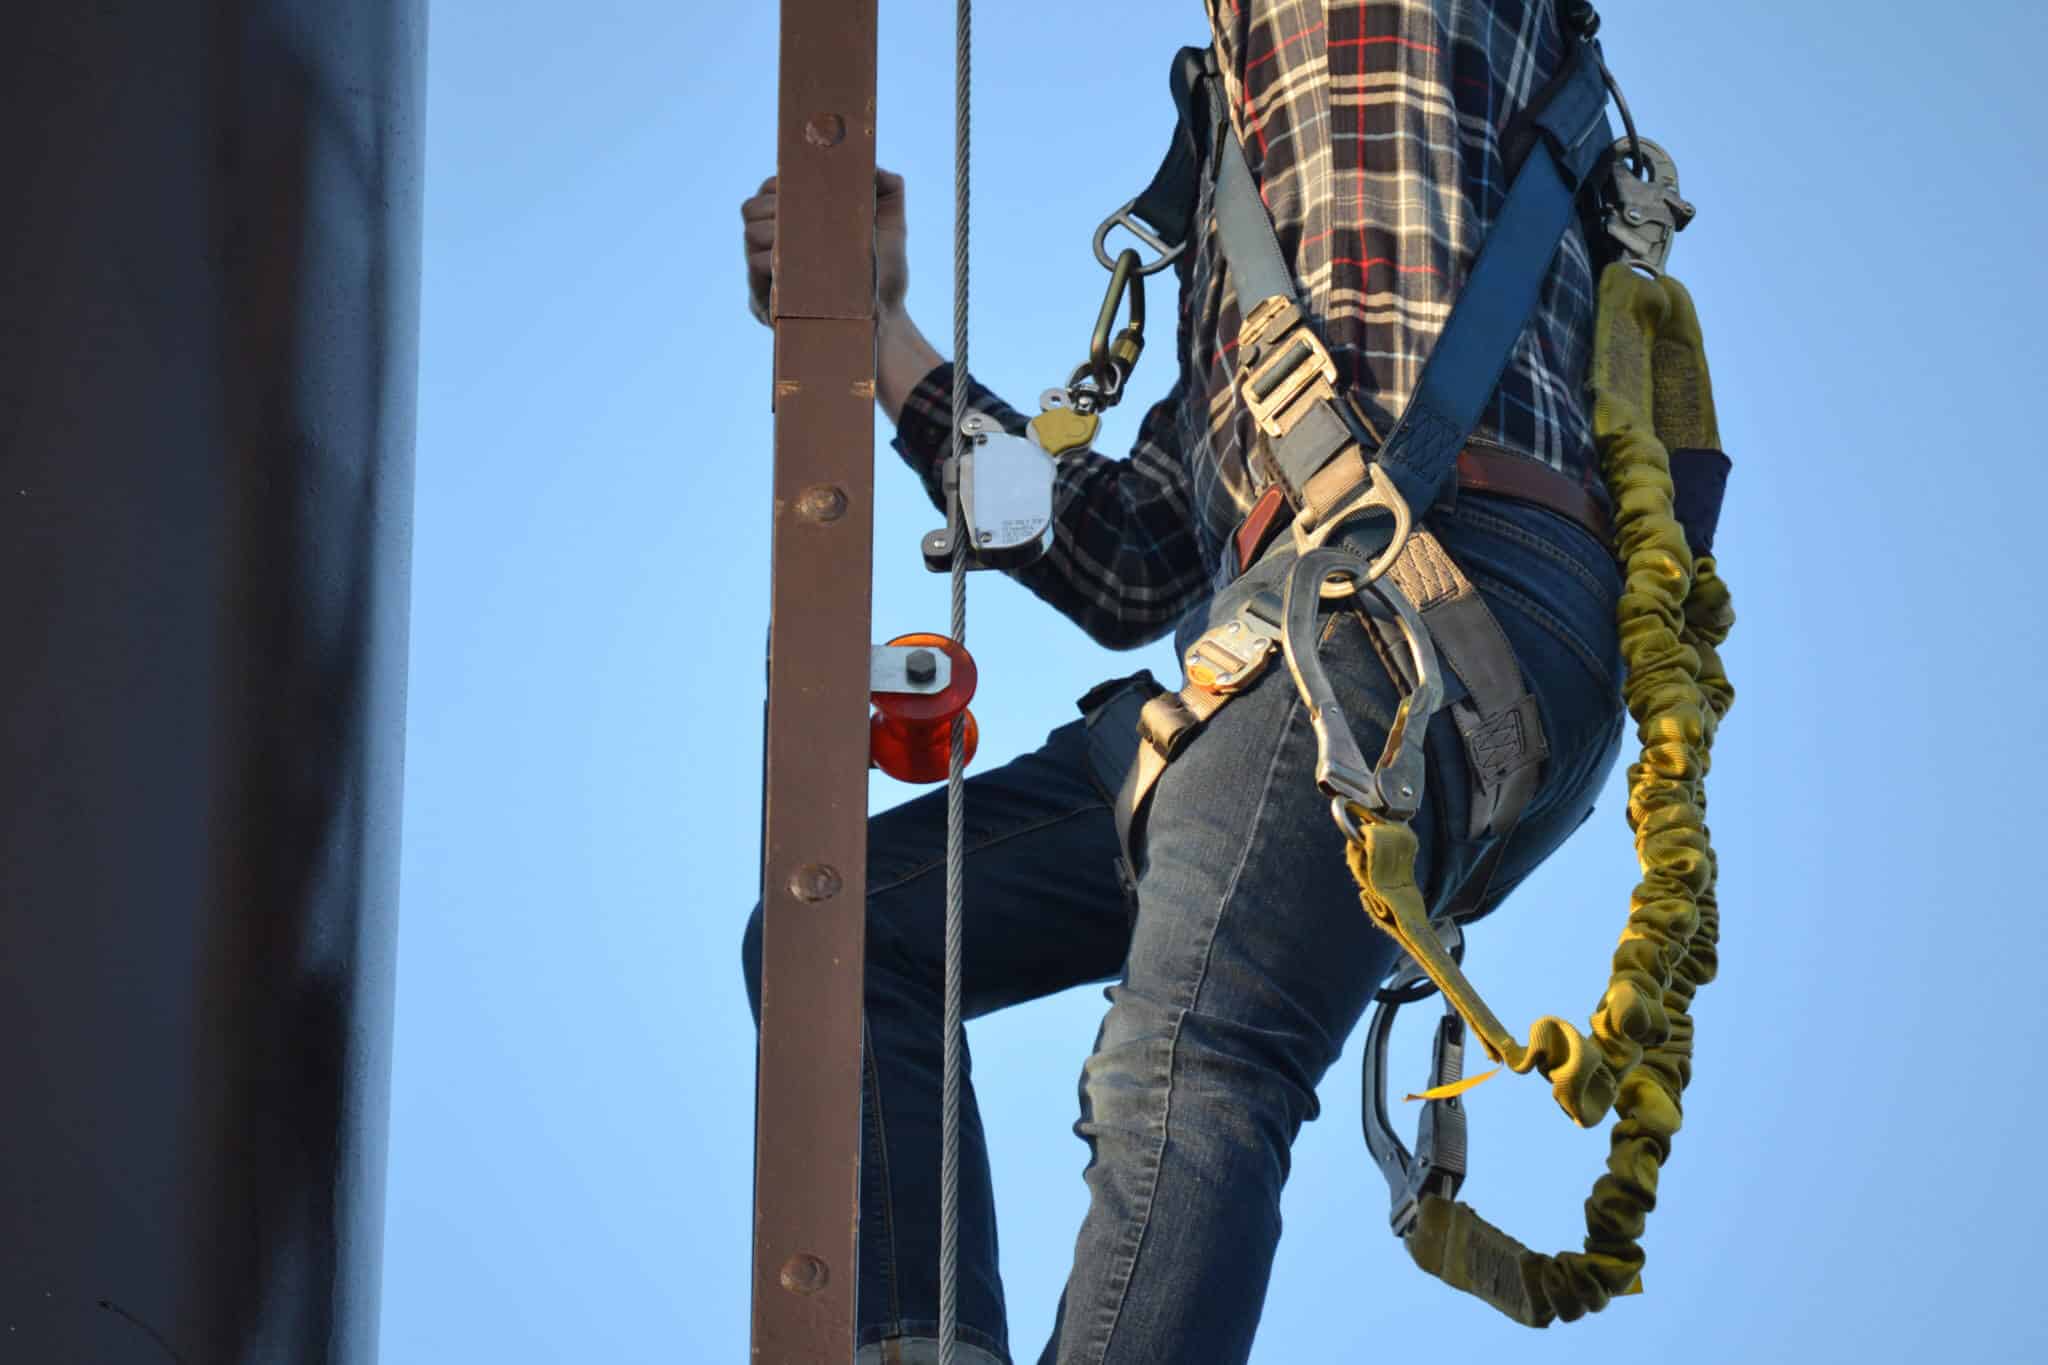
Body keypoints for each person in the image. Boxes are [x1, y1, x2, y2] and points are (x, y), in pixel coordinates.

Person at [742, 3, 1627, 1361]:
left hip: (1435, 587)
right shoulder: (1257, 223)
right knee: (846, 933)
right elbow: (1130, 551)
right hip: (1337, 622)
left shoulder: (1365, 34)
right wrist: (886, 344)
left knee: (1192, 1063)